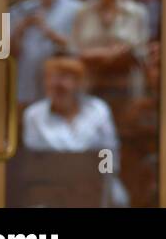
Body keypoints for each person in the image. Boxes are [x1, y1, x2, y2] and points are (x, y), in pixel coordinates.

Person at [21, 56, 129, 207]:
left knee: (119, 200)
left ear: (79, 82)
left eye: (64, 77)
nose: (57, 84)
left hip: (94, 185)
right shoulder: (33, 115)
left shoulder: (98, 109)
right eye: (51, 77)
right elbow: (35, 163)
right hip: (51, 189)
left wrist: (100, 181)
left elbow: (110, 152)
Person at [10, 0, 83, 107]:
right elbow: (7, 51)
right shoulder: (21, 10)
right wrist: (20, 28)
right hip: (27, 86)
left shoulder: (78, 9)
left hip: (62, 88)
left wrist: (48, 31)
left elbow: (80, 47)